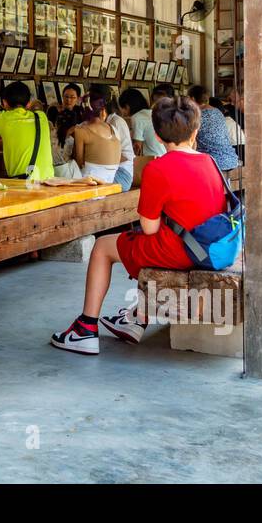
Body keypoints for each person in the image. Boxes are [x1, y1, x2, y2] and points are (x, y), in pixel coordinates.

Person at [51, 96, 227, 351]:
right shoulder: (210, 162)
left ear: (156, 136)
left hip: (182, 251)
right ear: (196, 131)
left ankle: (85, 328)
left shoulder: (158, 168)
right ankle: (135, 319)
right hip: (212, 247)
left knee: (103, 247)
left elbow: (149, 229)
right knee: (143, 242)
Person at [0, 81, 54, 180]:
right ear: (29, 103)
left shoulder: (0, 118)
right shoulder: (42, 117)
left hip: (23, 184)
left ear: (4, 103)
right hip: (48, 181)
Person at [72, 91, 133, 190]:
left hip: (100, 183)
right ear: (103, 110)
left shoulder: (81, 131)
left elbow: (79, 162)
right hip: (110, 180)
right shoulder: (112, 128)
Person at [188, 85, 239, 172]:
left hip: (213, 162)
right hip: (231, 158)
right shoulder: (217, 111)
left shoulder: (197, 116)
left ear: (192, 99)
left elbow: (190, 142)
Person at [120, 84, 174, 157]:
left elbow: (137, 148)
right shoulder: (159, 114)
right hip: (168, 157)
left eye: (122, 108)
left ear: (127, 106)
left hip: (153, 159)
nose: (122, 112)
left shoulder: (137, 117)